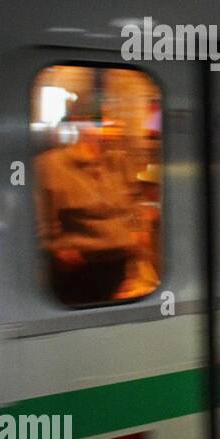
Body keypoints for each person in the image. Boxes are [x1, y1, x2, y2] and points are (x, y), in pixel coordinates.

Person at [34, 119, 146, 305]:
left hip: (119, 259)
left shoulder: (119, 161)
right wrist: (55, 246)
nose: (103, 132)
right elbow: (39, 210)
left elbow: (134, 199)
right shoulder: (50, 164)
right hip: (78, 265)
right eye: (97, 124)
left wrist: (138, 230)